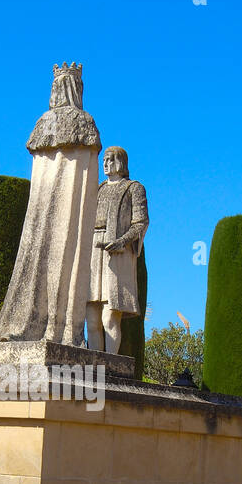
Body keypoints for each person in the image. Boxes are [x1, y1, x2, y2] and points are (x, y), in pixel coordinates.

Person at [0, 62, 100, 346]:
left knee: (35, 254)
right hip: (68, 211)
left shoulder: (43, 122)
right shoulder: (84, 121)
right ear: (77, 89)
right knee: (62, 255)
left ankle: (37, 324)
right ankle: (59, 329)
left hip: (40, 210)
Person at [87, 146, 148, 354]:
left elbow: (140, 222)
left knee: (109, 315)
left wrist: (122, 242)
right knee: (92, 317)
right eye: (104, 160)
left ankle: (111, 363)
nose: (105, 164)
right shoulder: (98, 189)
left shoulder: (134, 188)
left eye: (110, 159)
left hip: (118, 254)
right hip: (93, 249)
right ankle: (96, 366)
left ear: (120, 162)